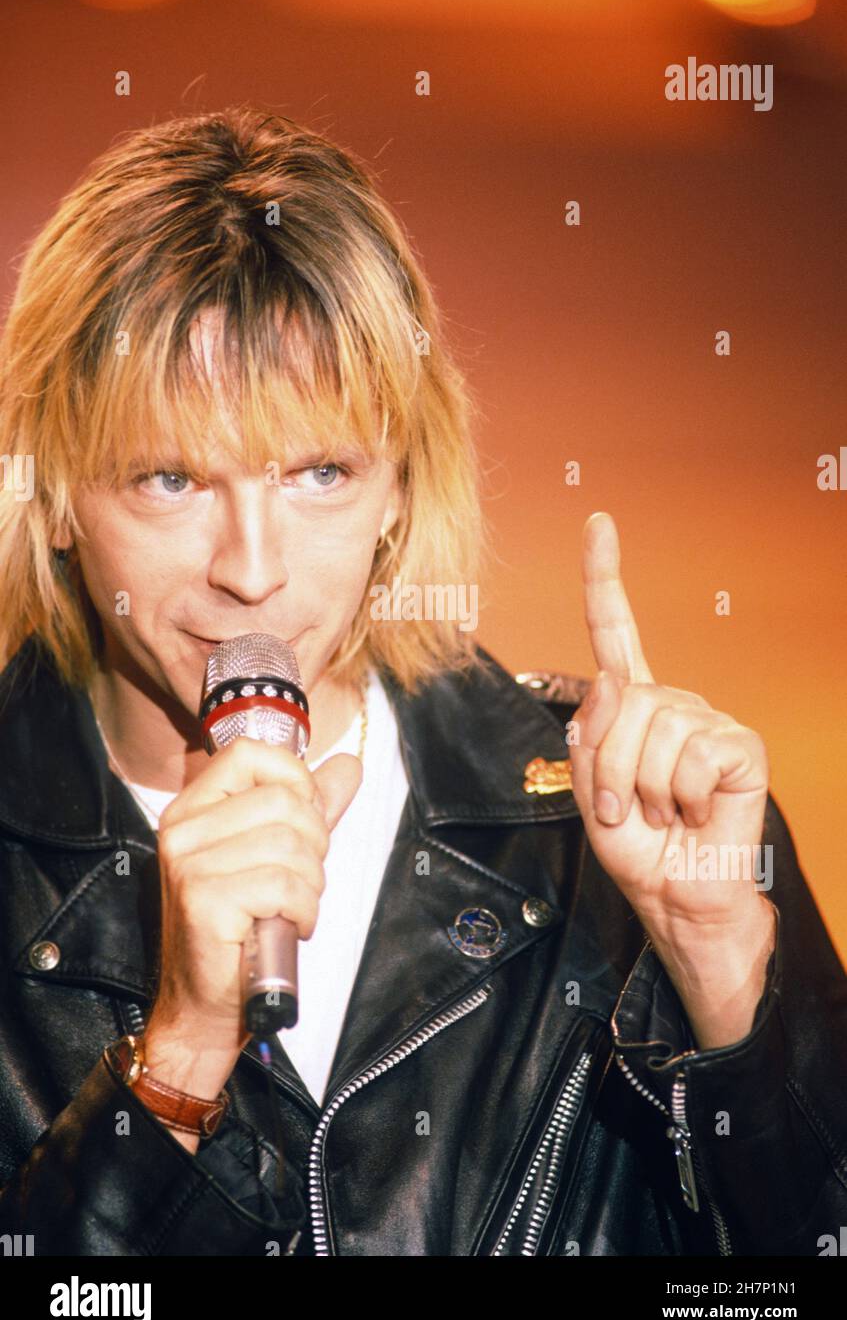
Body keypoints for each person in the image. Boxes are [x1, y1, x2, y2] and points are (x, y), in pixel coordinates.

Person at [0, 106, 844, 1258]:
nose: (252, 569)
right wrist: (179, 1060)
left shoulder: (608, 833)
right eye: (168, 477)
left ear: (402, 482)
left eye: (319, 472)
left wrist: (728, 984)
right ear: (48, 496)